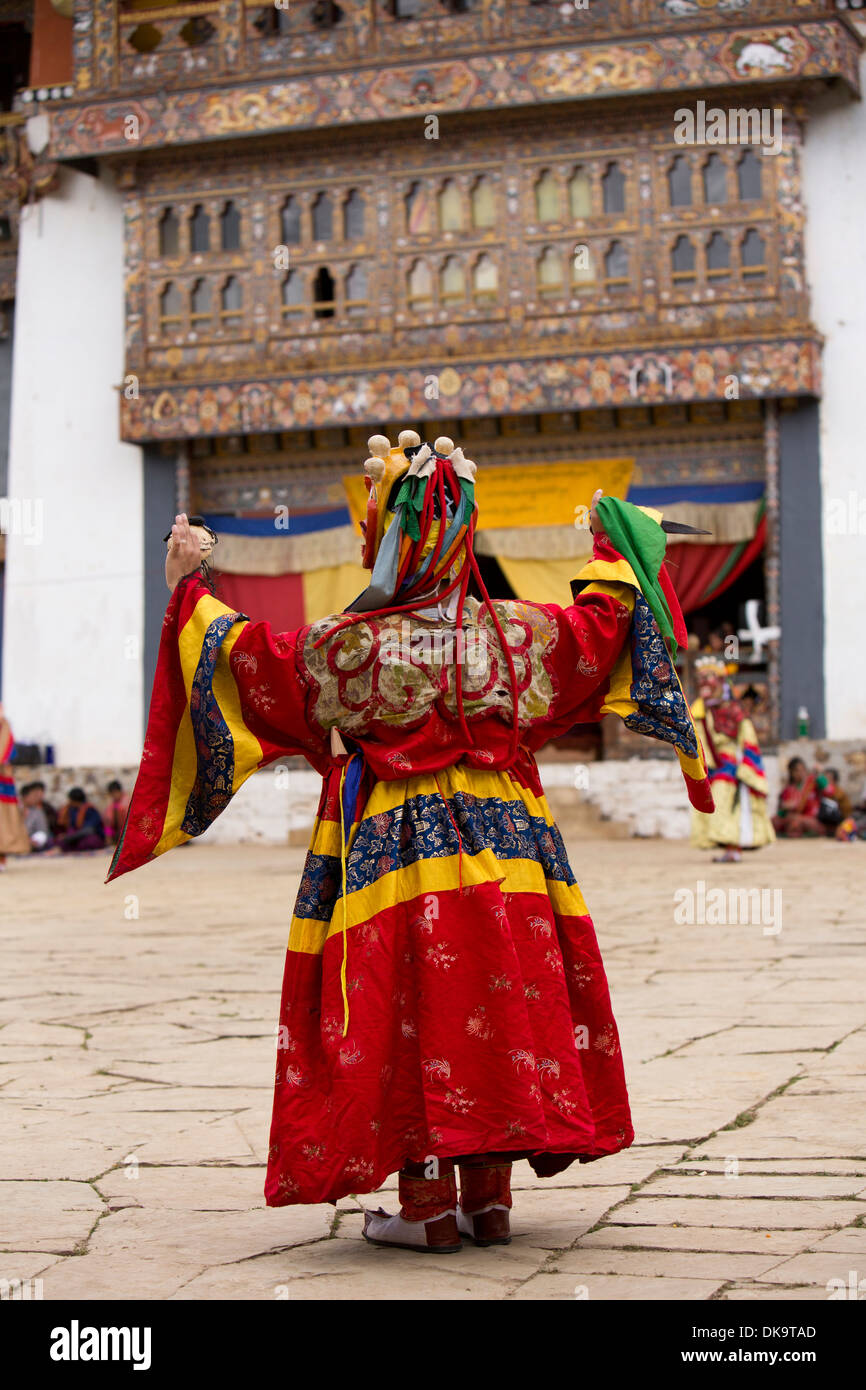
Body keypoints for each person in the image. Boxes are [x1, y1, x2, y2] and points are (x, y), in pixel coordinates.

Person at [108, 431, 712, 1253]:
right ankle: (487, 1202)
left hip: (394, 848)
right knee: (499, 996)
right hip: (511, 851)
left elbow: (248, 661)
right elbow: (603, 628)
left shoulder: (350, 647)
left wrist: (190, 587)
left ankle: (425, 1209)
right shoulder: (517, 634)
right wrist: (617, 541)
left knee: (412, 1006)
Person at [690, 656, 775, 863]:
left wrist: (747, 765)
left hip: (731, 765)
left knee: (726, 804)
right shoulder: (701, 711)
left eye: (709, 677)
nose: (705, 682)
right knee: (717, 805)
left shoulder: (733, 710)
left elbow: (747, 738)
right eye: (701, 678)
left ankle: (733, 848)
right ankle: (730, 848)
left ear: (720, 681)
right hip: (713, 766)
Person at [0, 705, 31, 868]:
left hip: (2, 781)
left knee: (4, 819)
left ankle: (2, 858)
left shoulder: (6, 730)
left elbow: (8, 753)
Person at [772, 756, 824, 838]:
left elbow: (829, 790)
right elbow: (781, 812)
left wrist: (819, 775)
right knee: (774, 821)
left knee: (796, 823)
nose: (800, 773)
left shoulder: (813, 781)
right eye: (796, 771)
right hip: (791, 817)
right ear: (791, 773)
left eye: (802, 770)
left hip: (810, 819)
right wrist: (785, 807)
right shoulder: (788, 789)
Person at [53, 787, 106, 854]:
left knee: (91, 841)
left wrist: (69, 838)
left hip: (87, 836)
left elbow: (89, 830)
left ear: (75, 801)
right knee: (58, 840)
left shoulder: (90, 811)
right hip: (76, 837)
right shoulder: (72, 810)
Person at [19, 782, 55, 852]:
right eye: (33, 796)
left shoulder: (38, 811)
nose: (35, 799)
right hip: (15, 837)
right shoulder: (15, 809)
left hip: (31, 839)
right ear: (25, 797)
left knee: (41, 837)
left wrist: (32, 840)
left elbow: (43, 830)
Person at [103, 780, 131, 844]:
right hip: (117, 831)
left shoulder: (127, 800)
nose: (114, 795)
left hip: (127, 829)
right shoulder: (112, 804)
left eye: (115, 792)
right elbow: (108, 820)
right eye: (112, 793)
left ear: (120, 791)